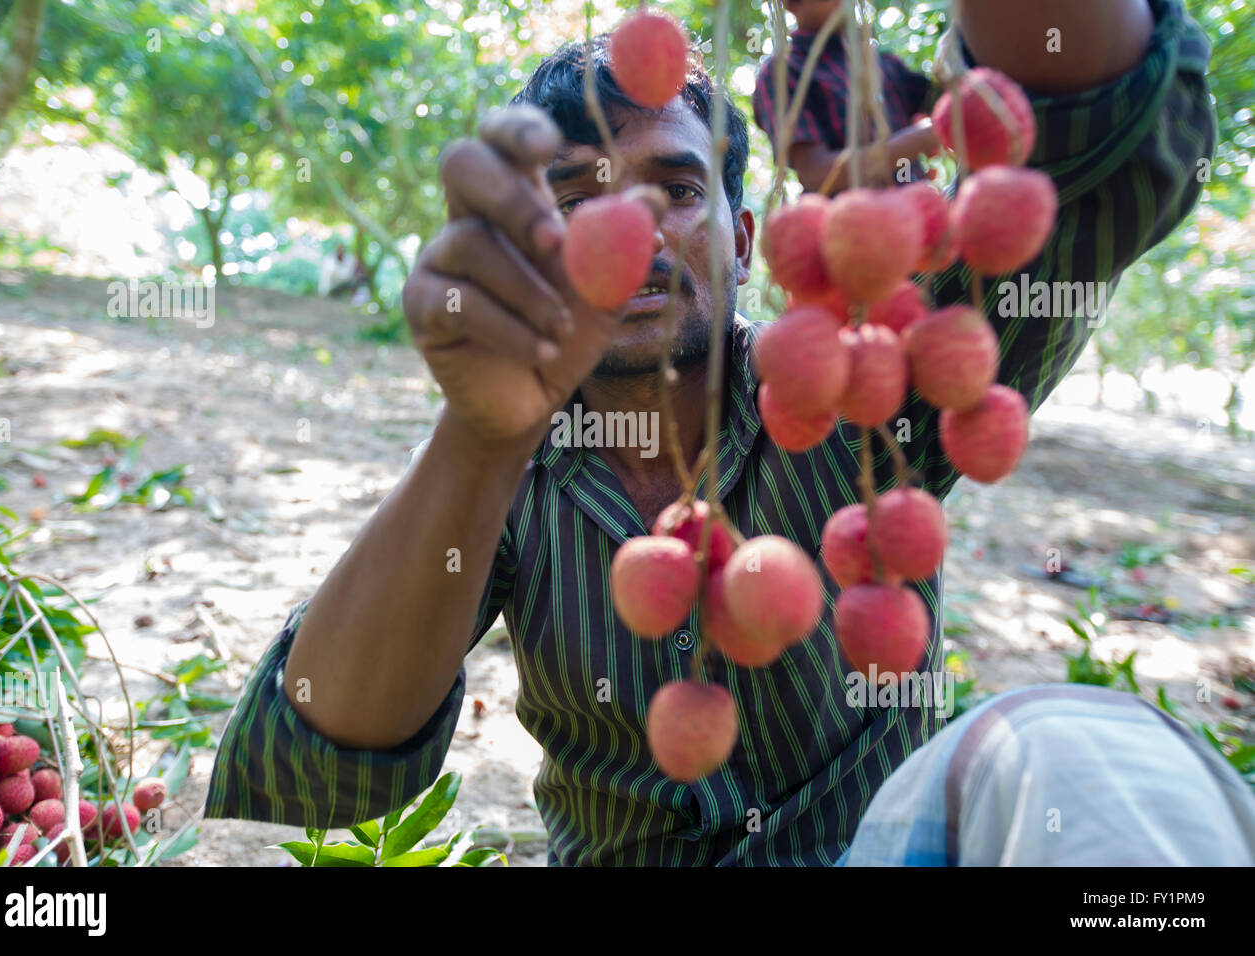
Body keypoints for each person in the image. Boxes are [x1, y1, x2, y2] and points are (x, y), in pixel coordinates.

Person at [205, 0, 1245, 866]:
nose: (638, 225)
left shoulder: (859, 370)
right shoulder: (507, 470)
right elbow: (311, 766)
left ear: (743, 240)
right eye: (579, 195)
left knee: (1077, 743)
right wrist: (475, 440)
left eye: (678, 186)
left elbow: (1097, 142)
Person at [752, 0, 939, 194]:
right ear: (789, 4)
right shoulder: (782, 72)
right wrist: (923, 137)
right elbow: (817, 173)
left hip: (919, 216)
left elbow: (953, 104)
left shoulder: (886, 64)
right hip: (848, 221)